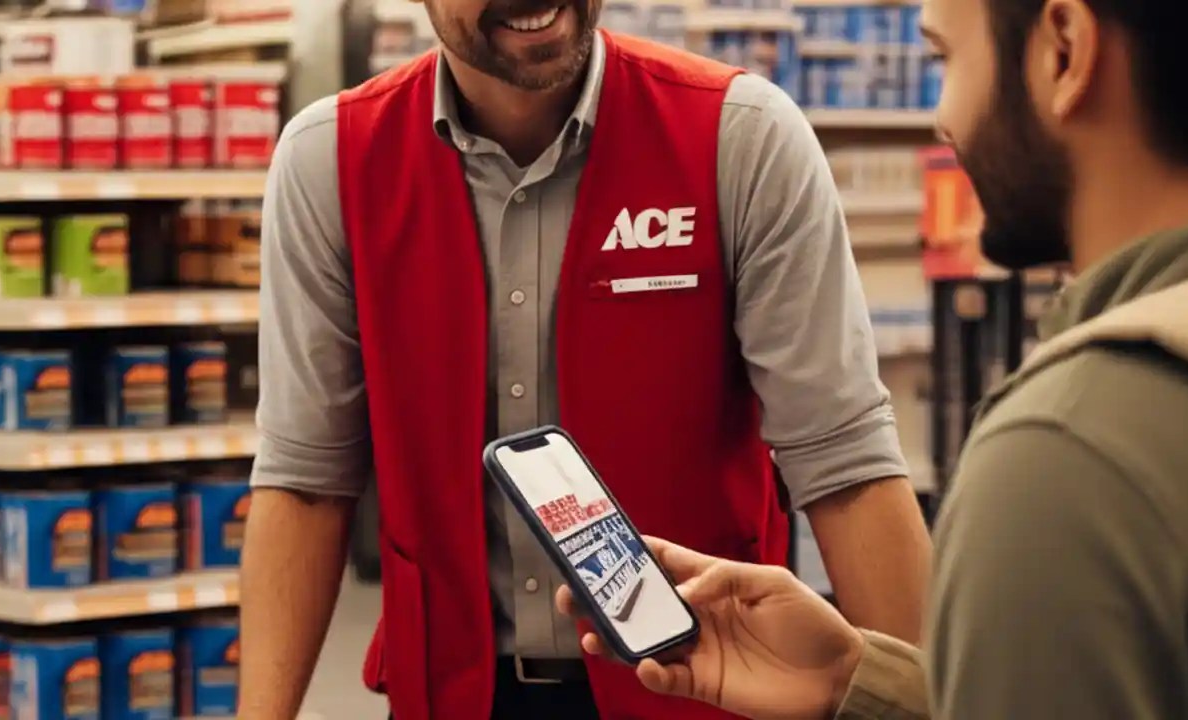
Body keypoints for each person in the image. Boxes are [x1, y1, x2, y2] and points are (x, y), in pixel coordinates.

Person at [237, 0, 935, 716]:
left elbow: (844, 462)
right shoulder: (332, 159)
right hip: (454, 691)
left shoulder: (739, 136)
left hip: (706, 687)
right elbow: (305, 481)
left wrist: (928, 704)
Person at [558, 0, 1188, 716]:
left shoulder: (1067, 458)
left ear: (1063, 50)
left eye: (944, 60)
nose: (944, 119)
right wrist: (855, 680)